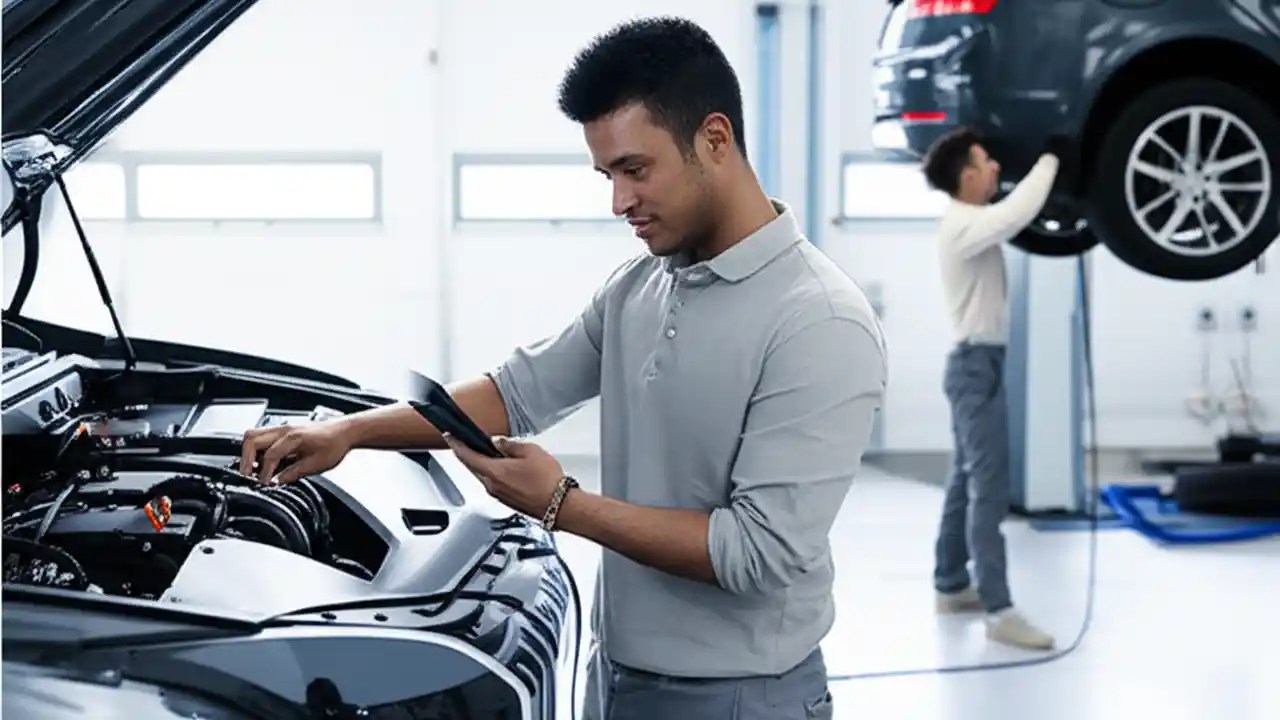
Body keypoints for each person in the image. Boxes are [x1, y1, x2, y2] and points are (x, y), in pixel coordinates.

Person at [240, 16, 886, 720]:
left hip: (737, 699)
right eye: (608, 174)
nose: (619, 202)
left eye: (636, 170)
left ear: (716, 140)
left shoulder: (818, 321)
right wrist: (350, 434)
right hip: (613, 676)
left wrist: (562, 505)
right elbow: (516, 393)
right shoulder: (640, 286)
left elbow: (755, 551)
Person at [921, 127, 1071, 651]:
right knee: (989, 487)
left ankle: (950, 585)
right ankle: (1000, 608)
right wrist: (1050, 159)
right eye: (986, 163)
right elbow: (1015, 214)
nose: (994, 171)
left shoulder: (965, 222)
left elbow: (1008, 212)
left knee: (965, 482)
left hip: (976, 365)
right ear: (966, 176)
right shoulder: (964, 224)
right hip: (974, 367)